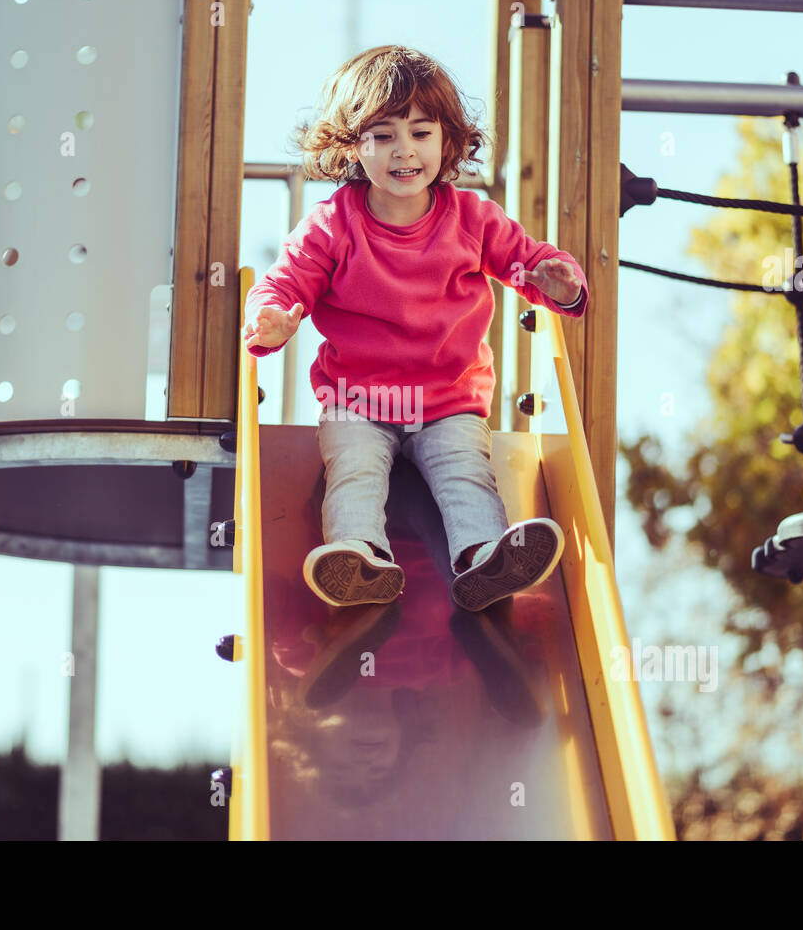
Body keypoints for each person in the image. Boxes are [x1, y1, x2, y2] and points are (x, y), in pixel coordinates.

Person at [242, 45, 588, 613]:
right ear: (353, 146)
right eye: (382, 136)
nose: (404, 151)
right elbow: (284, 283)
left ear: (447, 142)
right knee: (352, 469)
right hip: (357, 399)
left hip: (448, 401)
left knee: (466, 475)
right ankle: (358, 557)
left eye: (421, 133)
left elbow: (528, 261)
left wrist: (558, 282)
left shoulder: (474, 219)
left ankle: (483, 559)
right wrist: (272, 319)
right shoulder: (332, 225)